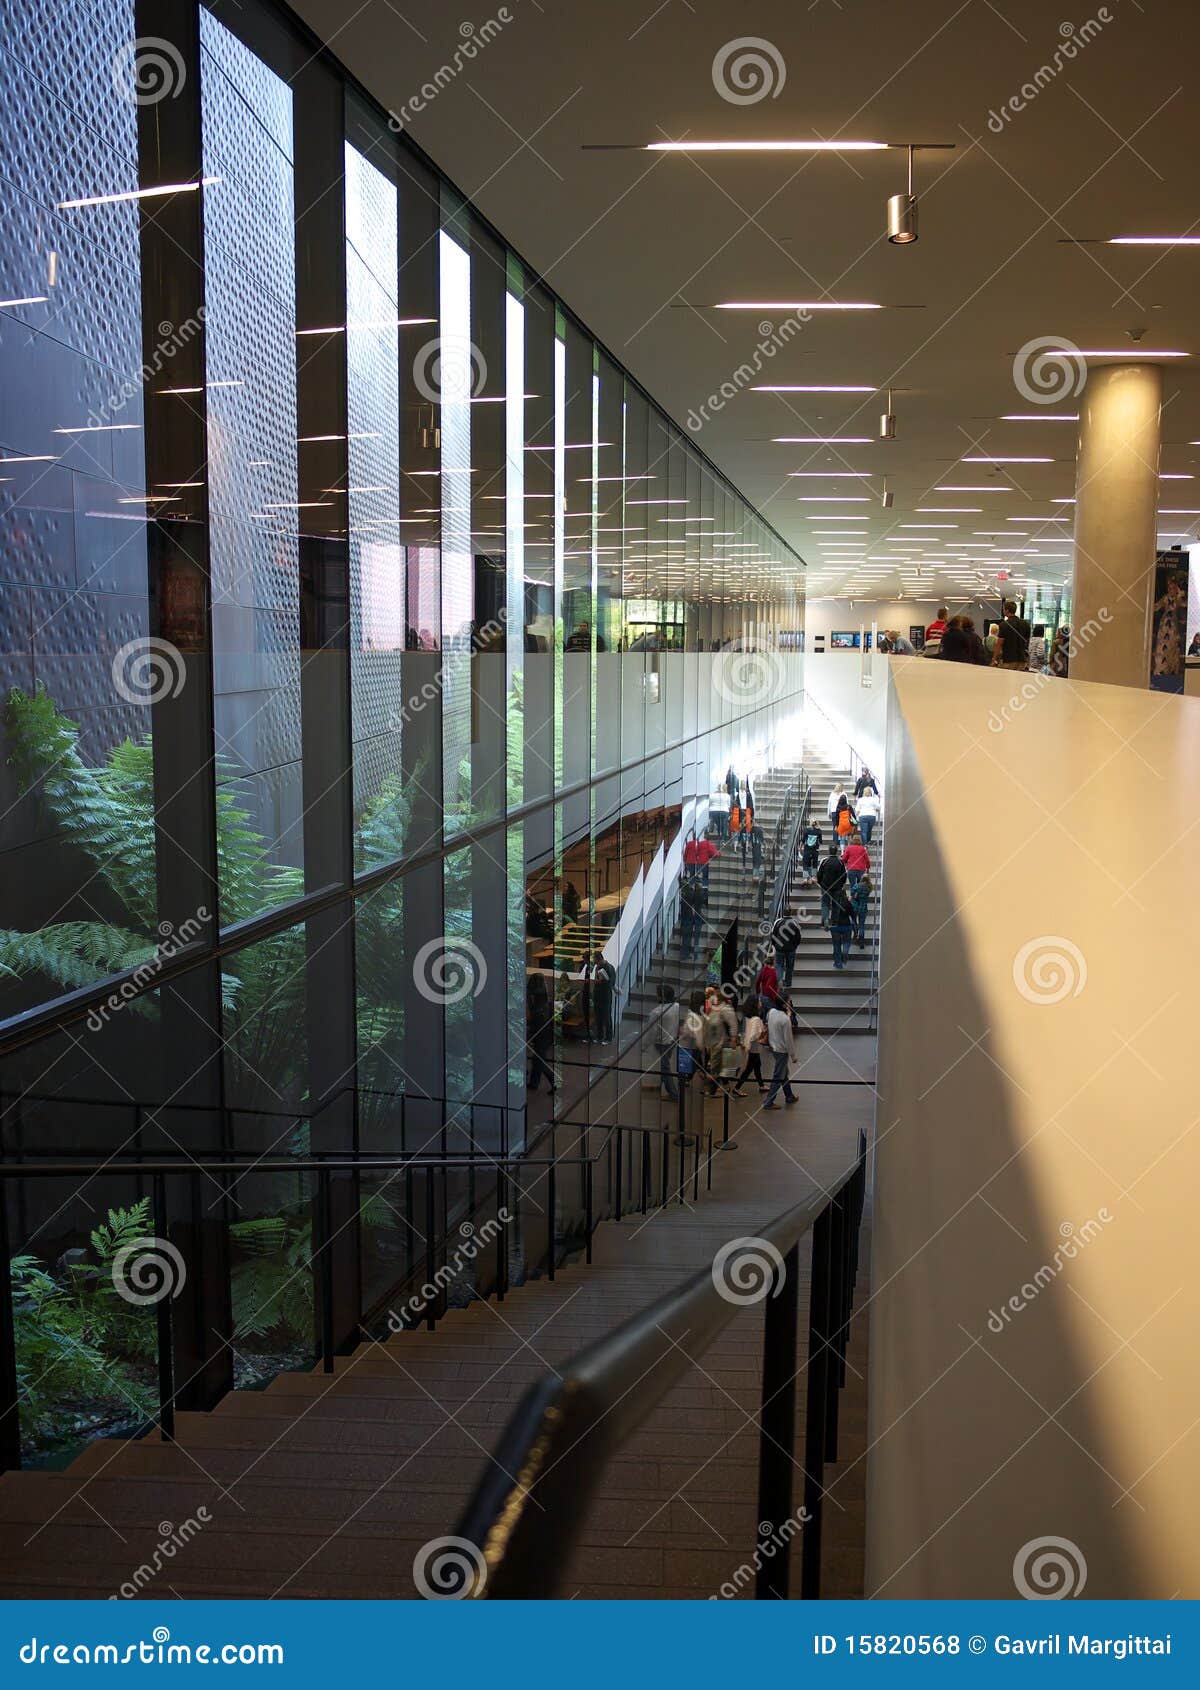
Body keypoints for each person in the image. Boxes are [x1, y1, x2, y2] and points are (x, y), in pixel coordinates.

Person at [762, 997, 799, 1110]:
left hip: (773, 1047)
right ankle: (768, 1102)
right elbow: (788, 1040)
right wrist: (793, 1056)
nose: (790, 1003)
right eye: (788, 1001)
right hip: (782, 1050)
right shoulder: (785, 1020)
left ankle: (789, 1096)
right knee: (778, 1076)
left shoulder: (771, 1012)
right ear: (784, 1004)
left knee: (784, 1072)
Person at [526, 975, 556, 1094]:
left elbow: (536, 1023)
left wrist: (529, 1035)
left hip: (542, 1036)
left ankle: (553, 1081)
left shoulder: (538, 1007)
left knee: (538, 1061)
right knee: (537, 1060)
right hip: (545, 1035)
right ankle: (534, 1083)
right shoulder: (544, 1002)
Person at [733, 995, 769, 1097]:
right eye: (759, 1001)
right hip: (754, 1048)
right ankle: (737, 1088)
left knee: (757, 1066)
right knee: (749, 1069)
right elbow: (754, 1035)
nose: (761, 1003)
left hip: (751, 1047)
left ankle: (761, 1085)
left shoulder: (748, 1017)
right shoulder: (756, 1019)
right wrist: (761, 1034)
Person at [654, 982, 680, 1101]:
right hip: (673, 1039)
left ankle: (673, 1094)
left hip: (663, 1041)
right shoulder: (676, 1006)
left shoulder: (659, 1012)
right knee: (664, 1064)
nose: (656, 996)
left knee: (665, 1067)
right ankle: (663, 1083)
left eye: (658, 994)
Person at [583, 951, 615, 1043]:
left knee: (606, 1016)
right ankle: (599, 1036)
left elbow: (612, 982)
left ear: (598, 958)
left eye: (594, 959)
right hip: (597, 995)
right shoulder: (597, 967)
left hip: (605, 996)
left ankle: (608, 1037)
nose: (594, 961)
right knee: (598, 1016)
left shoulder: (609, 967)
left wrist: (602, 981)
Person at [816, 841, 848, 928]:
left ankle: (825, 919)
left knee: (825, 904)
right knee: (836, 905)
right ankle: (834, 922)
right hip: (837, 887)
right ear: (837, 852)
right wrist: (842, 884)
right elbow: (844, 875)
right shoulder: (840, 862)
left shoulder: (824, 861)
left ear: (829, 851)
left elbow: (819, 874)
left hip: (825, 887)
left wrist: (820, 883)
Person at [993, 599, 1031, 671]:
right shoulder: (1026, 624)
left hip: (1008, 659)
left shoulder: (1003, 625)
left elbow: (999, 643)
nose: (1003, 611)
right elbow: (1027, 641)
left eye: (1003, 609)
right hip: (1022, 659)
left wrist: (994, 658)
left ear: (1007, 610)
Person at [772, 909, 801, 992]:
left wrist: (775, 945)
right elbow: (798, 937)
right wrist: (795, 946)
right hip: (791, 949)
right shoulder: (794, 923)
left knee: (779, 965)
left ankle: (779, 981)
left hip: (779, 948)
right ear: (791, 913)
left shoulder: (778, 922)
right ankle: (788, 983)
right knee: (789, 966)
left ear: (783, 913)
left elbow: (773, 935)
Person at [829, 880, 855, 971]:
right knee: (846, 942)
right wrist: (855, 927)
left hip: (835, 926)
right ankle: (845, 954)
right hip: (846, 925)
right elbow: (853, 915)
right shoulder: (848, 903)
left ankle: (838, 963)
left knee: (836, 945)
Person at [679, 876, 704, 961]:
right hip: (692, 918)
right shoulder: (694, 893)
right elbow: (697, 903)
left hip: (687, 917)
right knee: (694, 938)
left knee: (686, 937)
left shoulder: (684, 893)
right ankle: (692, 955)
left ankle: (685, 954)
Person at [850, 871, 871, 950]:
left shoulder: (857, 885)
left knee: (853, 921)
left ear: (862, 878)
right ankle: (861, 941)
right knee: (861, 925)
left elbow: (852, 893)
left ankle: (855, 933)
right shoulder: (869, 888)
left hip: (855, 907)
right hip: (863, 907)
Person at [799, 818, 823, 883]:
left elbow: (803, 840)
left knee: (805, 863)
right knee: (815, 863)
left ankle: (805, 878)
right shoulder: (819, 831)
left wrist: (800, 848)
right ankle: (813, 877)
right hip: (815, 849)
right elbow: (820, 842)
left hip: (807, 849)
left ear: (810, 823)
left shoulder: (806, 830)